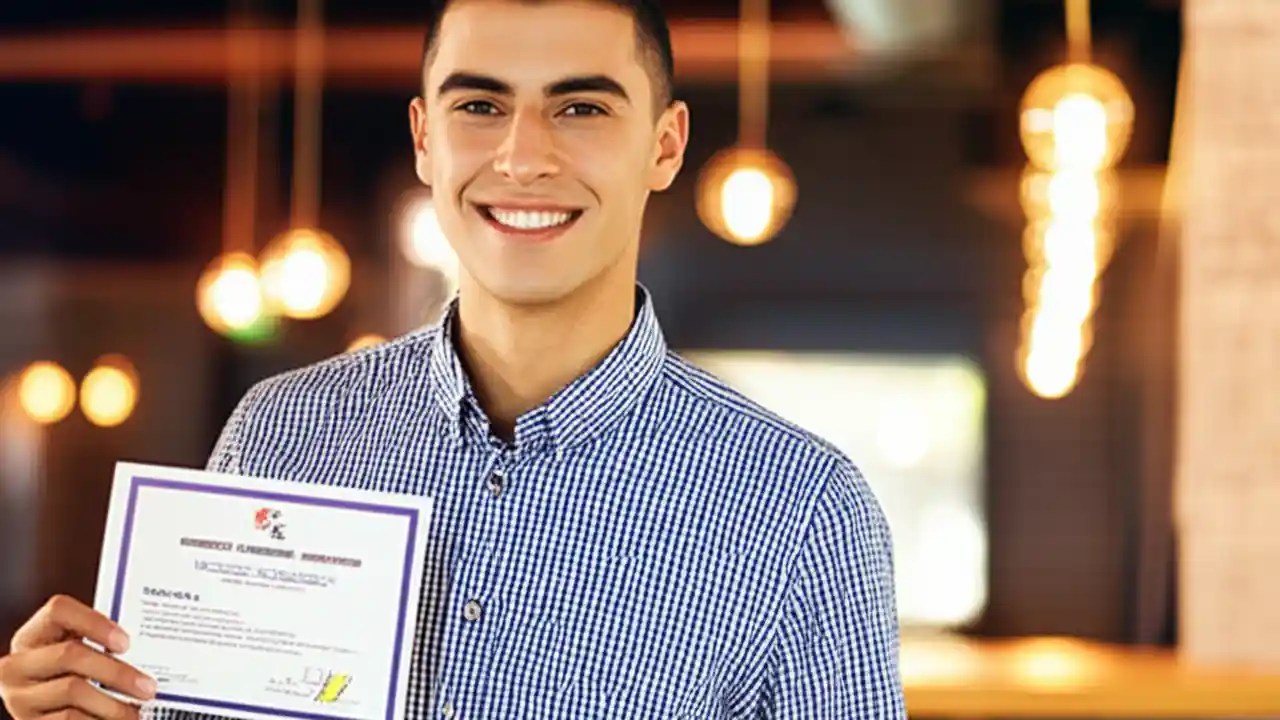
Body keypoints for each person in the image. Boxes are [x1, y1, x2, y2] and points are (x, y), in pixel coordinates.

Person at [0, 0, 906, 717]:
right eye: (480, 106)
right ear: (426, 139)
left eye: (580, 106)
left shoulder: (804, 513)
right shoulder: (284, 433)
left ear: (664, 144)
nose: (522, 157)